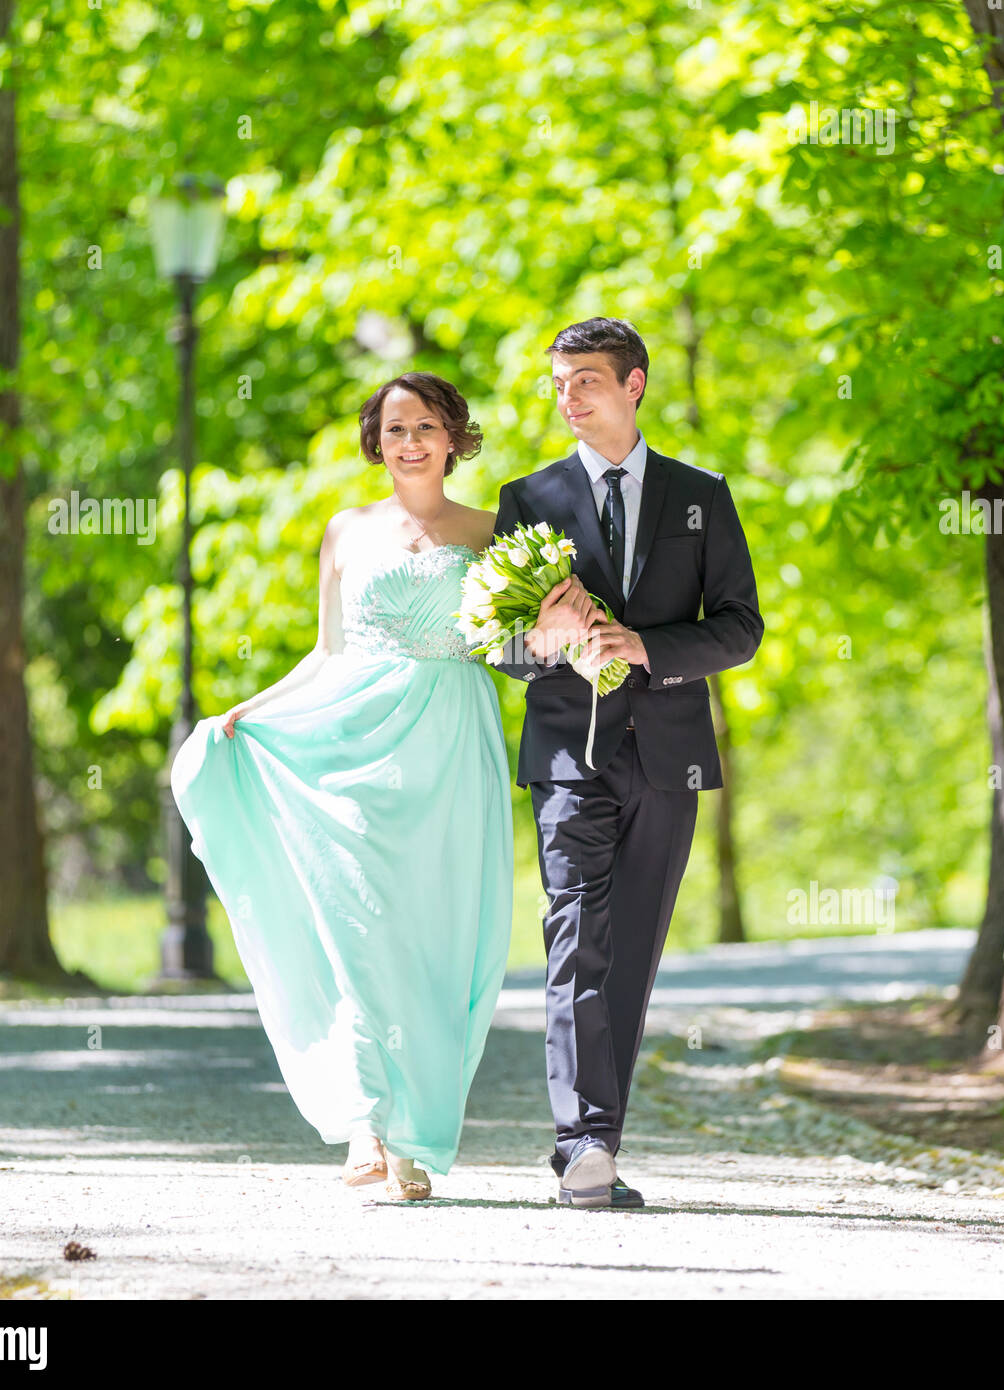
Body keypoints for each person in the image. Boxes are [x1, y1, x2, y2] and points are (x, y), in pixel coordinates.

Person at [170, 372, 516, 1201]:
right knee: (358, 920)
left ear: (453, 436)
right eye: (395, 428)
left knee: (436, 933)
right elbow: (328, 653)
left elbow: (520, 640)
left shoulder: (495, 528)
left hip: (451, 740)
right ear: (376, 440)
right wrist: (250, 711)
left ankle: (415, 1137)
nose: (409, 442)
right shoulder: (344, 530)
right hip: (354, 739)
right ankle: (367, 1120)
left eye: (425, 426)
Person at [492, 317, 764, 1208]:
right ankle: (582, 1149)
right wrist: (547, 640)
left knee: (633, 948)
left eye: (586, 382)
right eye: (560, 384)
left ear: (634, 384)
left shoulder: (702, 496)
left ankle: (600, 1133)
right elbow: (499, 643)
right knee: (574, 938)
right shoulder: (527, 497)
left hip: (670, 759)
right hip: (569, 755)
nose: (568, 399)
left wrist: (646, 646)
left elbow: (739, 628)